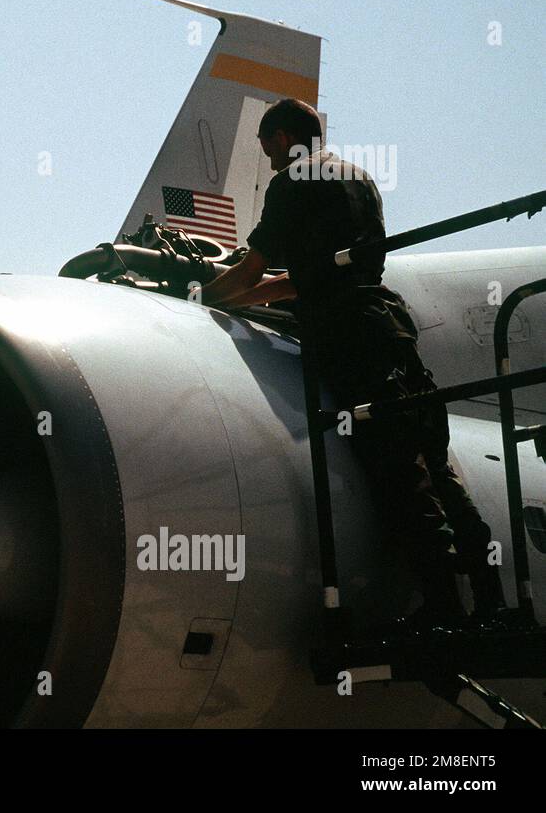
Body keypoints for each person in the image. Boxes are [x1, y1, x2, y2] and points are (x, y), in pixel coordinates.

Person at [201, 98, 505, 625]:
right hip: (388, 327)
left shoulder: (294, 180)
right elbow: (305, 279)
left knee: (397, 471)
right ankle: (492, 599)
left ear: (281, 138)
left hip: (347, 338)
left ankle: (442, 607)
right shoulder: (359, 179)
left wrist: (204, 299)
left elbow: (252, 270)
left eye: (266, 145)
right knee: (437, 466)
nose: (267, 157)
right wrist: (239, 298)